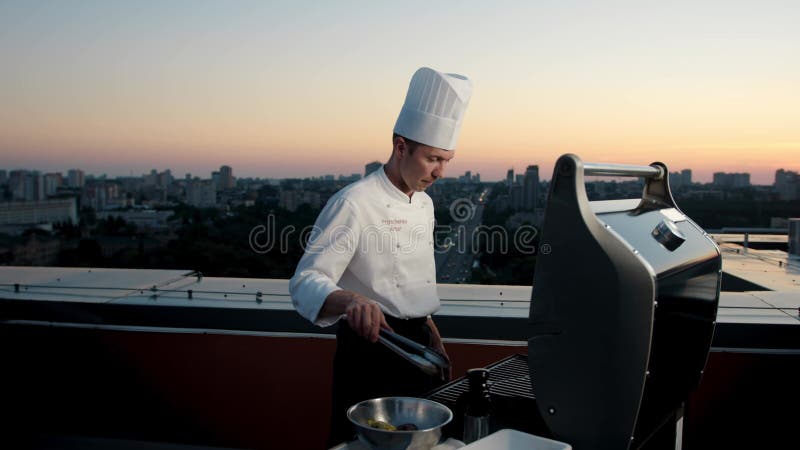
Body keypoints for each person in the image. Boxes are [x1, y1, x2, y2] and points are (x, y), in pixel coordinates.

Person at [289, 66, 472, 446]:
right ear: (400, 146)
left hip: (417, 347)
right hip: (371, 348)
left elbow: (414, 286)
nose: (440, 172)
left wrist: (433, 338)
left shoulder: (423, 203)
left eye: (447, 160)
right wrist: (352, 299)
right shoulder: (354, 203)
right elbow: (305, 280)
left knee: (421, 444)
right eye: (433, 159)